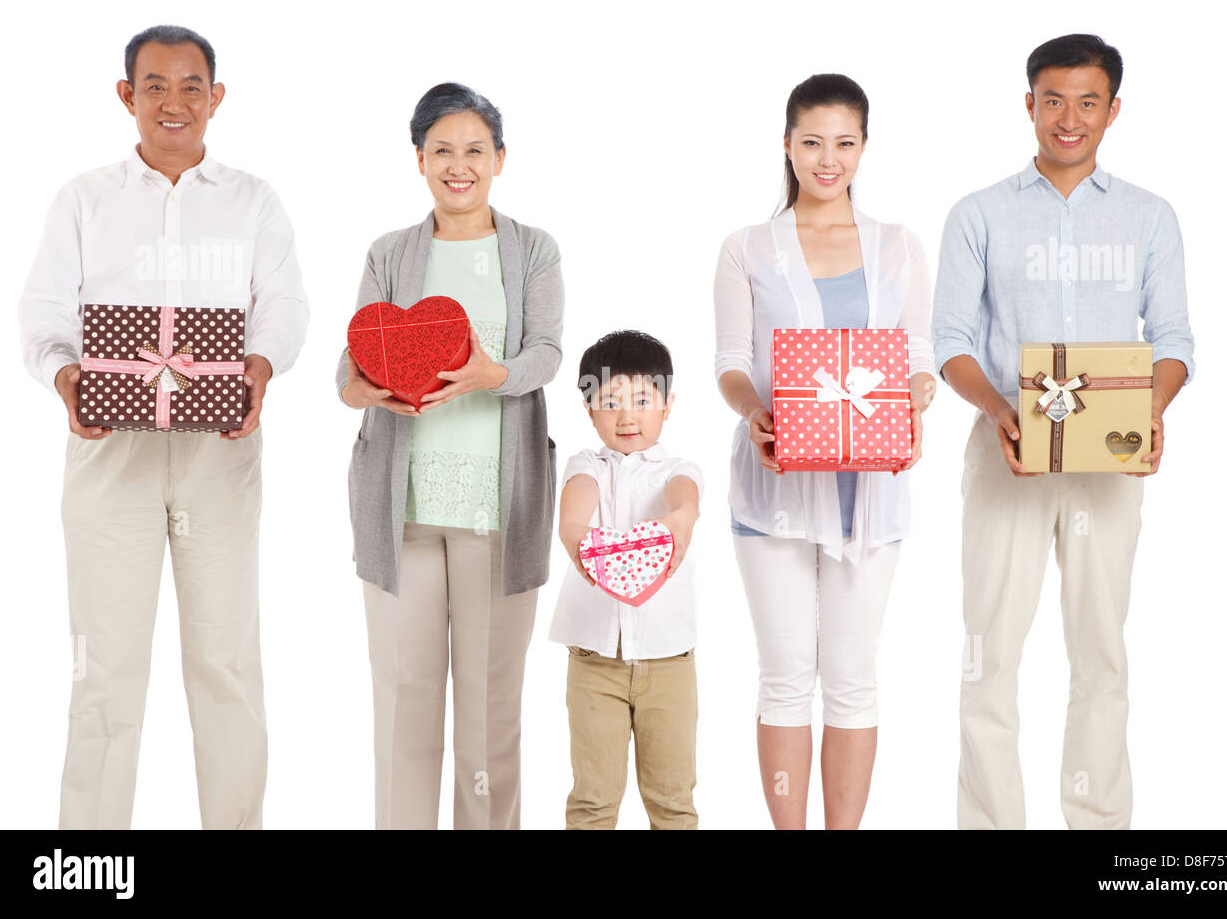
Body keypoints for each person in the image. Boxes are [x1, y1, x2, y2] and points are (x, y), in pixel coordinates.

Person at [17, 25, 309, 829]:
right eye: (155, 86)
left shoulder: (254, 200)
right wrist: (66, 377)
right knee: (105, 668)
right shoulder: (84, 198)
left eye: (191, 87)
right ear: (127, 96)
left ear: (216, 99)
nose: (173, 103)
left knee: (225, 660)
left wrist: (261, 367)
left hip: (221, 451)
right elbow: (43, 313)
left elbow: (283, 306)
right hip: (110, 453)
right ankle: (90, 856)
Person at [931, 34, 1195, 829]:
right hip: (1006, 449)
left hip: (1110, 456)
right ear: (1029, 105)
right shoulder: (978, 213)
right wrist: (1002, 413)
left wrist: (1148, 412)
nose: (1068, 118)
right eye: (1053, 100)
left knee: (1101, 652)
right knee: (990, 653)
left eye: (1087, 101)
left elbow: (1176, 339)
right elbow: (950, 340)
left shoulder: (1151, 216)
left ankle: (1099, 827)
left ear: (1113, 109)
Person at [337, 82, 563, 830]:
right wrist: (371, 394)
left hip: (499, 512)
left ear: (500, 159)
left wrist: (491, 375)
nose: (458, 165)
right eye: (442, 150)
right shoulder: (390, 253)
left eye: (474, 150)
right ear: (419, 160)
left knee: (489, 717)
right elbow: (350, 370)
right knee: (403, 706)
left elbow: (548, 354)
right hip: (401, 517)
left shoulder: (531, 249)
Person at [713, 74, 936, 829]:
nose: (827, 159)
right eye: (812, 142)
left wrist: (918, 396)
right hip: (773, 490)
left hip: (869, 492)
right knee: (783, 678)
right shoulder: (747, 248)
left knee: (851, 678)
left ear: (865, 148)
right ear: (786, 145)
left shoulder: (898, 246)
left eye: (844, 143)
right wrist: (755, 415)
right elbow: (731, 361)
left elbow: (917, 356)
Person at [549, 331, 702, 829]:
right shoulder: (585, 464)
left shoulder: (679, 469)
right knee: (593, 800)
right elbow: (575, 514)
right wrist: (581, 545)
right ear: (590, 411)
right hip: (595, 663)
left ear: (668, 404)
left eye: (641, 400)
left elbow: (685, 499)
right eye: (609, 402)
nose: (627, 416)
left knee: (673, 799)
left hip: (669, 663)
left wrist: (681, 520)